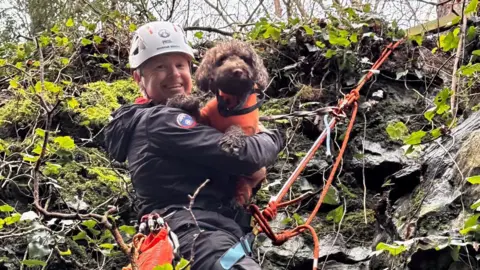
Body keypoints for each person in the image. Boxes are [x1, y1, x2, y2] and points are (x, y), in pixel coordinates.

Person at [103, 21, 284, 270]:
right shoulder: (160, 119)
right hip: (197, 234)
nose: (175, 74)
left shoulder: (181, 119)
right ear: (139, 78)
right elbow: (244, 155)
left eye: (180, 65)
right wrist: (273, 137)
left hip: (206, 235)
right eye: (160, 67)